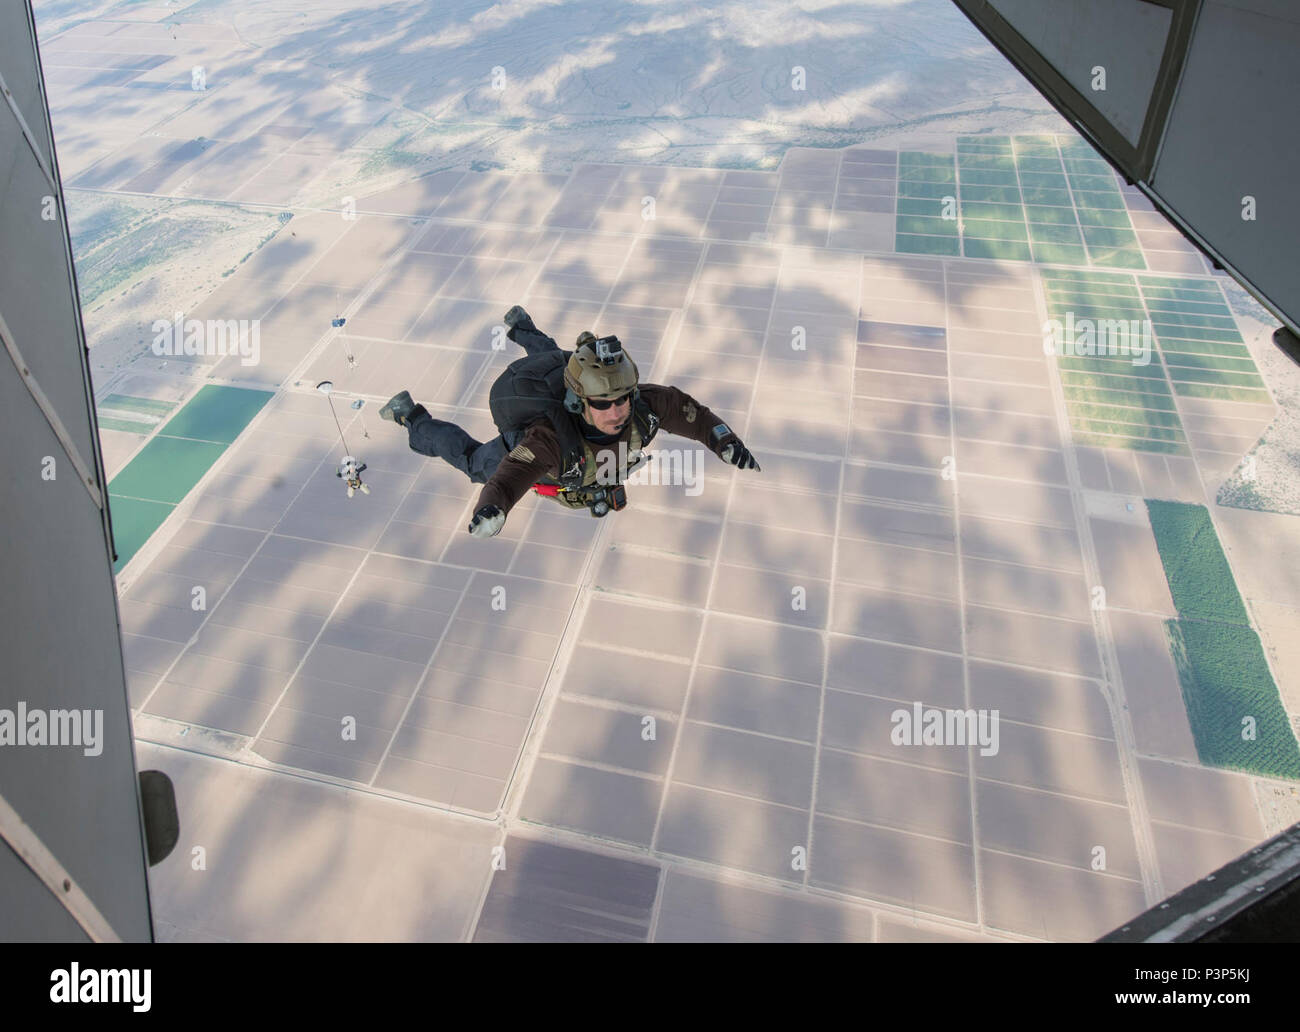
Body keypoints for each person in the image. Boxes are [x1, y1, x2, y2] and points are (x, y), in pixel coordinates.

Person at [380, 305, 760, 537]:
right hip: (541, 455)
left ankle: (522, 326)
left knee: (563, 361)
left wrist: (724, 442)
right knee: (473, 461)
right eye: (602, 403)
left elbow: (686, 411)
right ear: (579, 402)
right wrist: (492, 507)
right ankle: (412, 416)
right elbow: (510, 475)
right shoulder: (551, 441)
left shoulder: (643, 408)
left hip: (584, 474)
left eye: (622, 398)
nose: (617, 412)